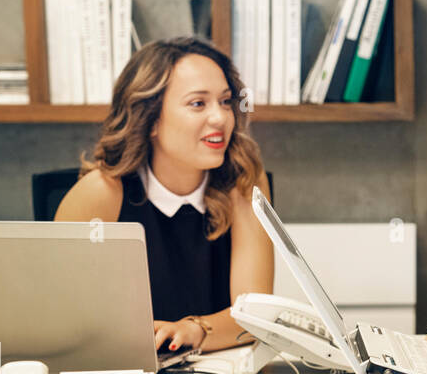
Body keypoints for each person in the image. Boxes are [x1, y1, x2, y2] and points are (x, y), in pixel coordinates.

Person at [55, 36, 274, 353]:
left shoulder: (243, 181)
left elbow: (254, 316)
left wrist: (196, 329)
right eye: (198, 104)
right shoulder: (101, 193)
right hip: (119, 369)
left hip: (217, 372)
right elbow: (60, 317)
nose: (221, 117)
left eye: (226, 101)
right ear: (151, 120)